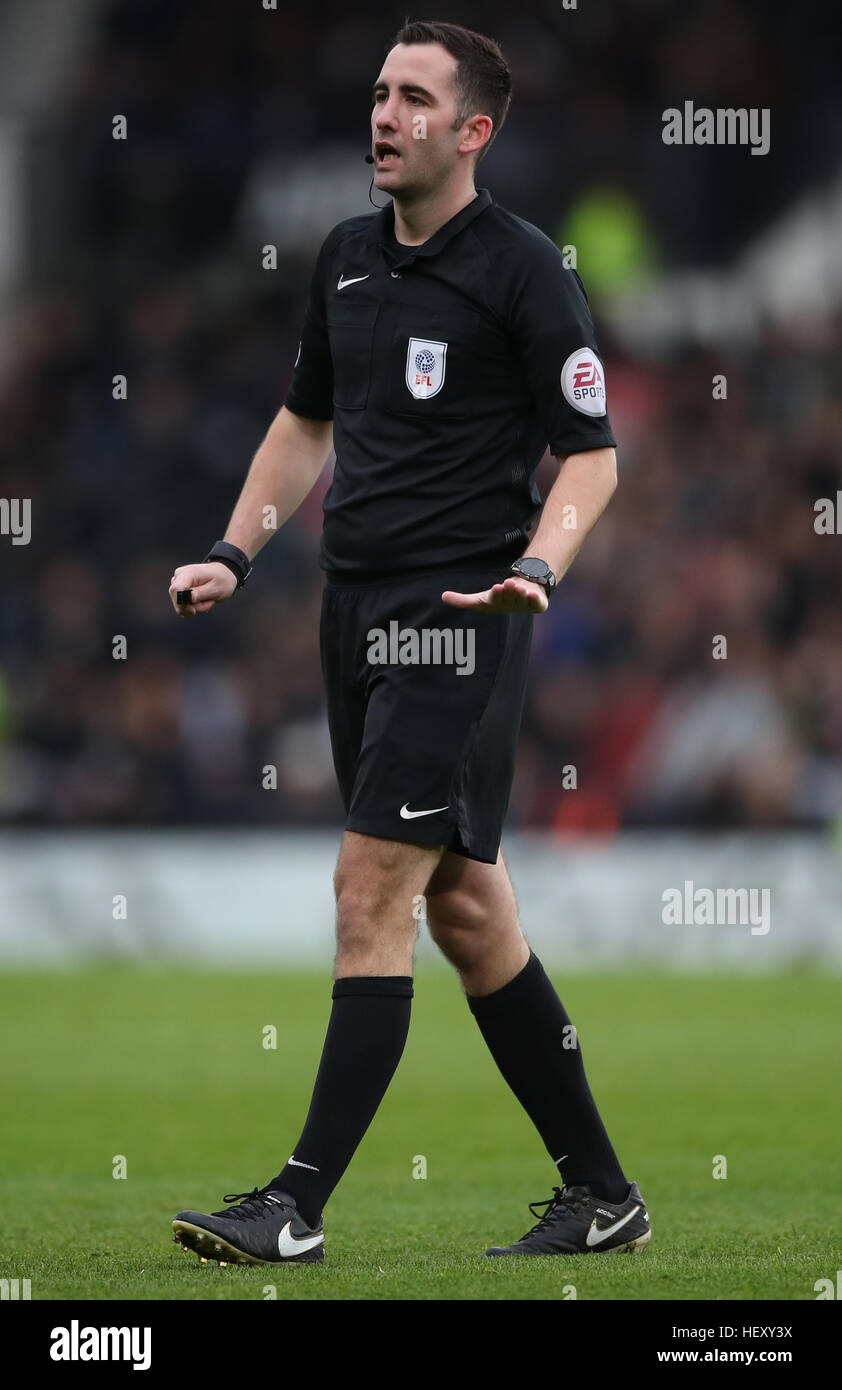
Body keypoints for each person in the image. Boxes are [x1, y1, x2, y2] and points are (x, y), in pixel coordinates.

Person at [168, 19, 649, 1266]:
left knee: (367, 888)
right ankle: (601, 1194)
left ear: (472, 130)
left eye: (414, 99)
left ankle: (294, 1206)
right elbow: (300, 423)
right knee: (469, 912)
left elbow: (591, 458)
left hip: (460, 617)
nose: (384, 115)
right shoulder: (341, 259)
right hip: (351, 609)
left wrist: (538, 564)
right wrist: (234, 549)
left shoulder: (527, 269)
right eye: (379, 93)